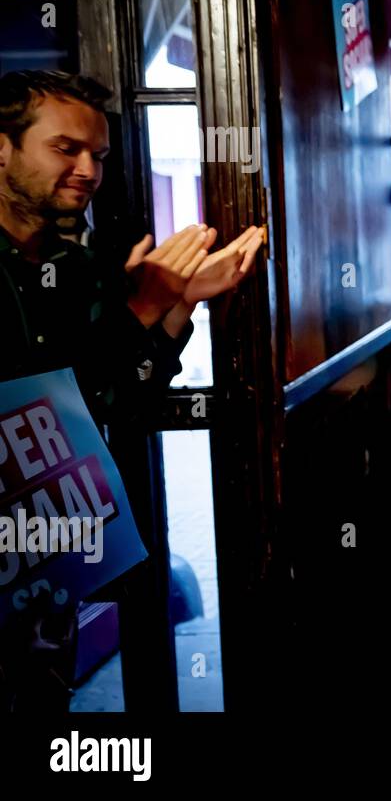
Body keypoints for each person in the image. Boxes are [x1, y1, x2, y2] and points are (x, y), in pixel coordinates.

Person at [0, 69, 263, 710]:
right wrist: (143, 306)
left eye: (99, 155)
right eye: (65, 149)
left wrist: (175, 308)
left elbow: (114, 401)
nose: (88, 170)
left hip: (46, 565)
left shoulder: (80, 267)